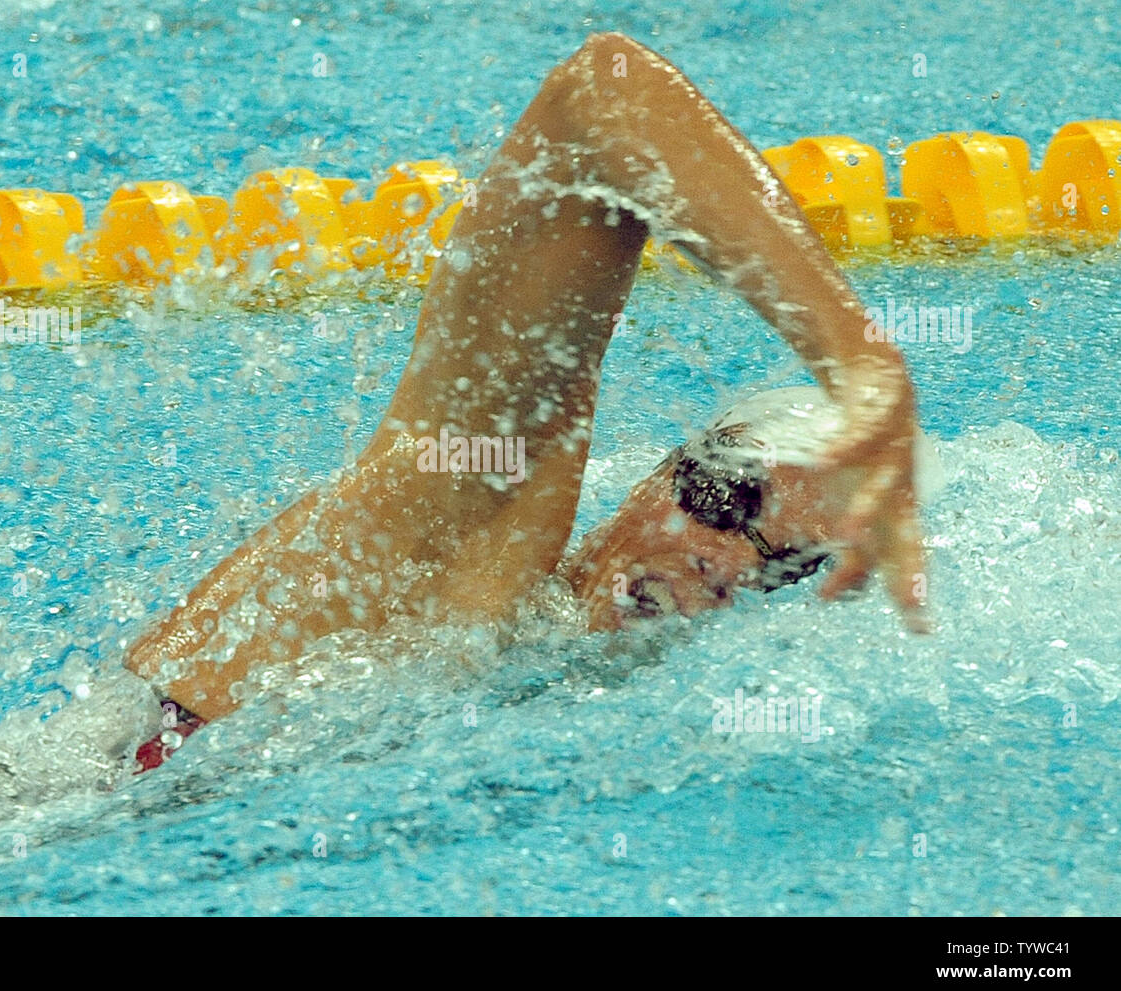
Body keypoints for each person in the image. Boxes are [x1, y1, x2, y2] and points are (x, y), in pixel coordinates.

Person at [125, 32, 926, 770]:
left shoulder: (566, 692)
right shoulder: (470, 525)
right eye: (725, 501)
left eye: (780, 571)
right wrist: (862, 363)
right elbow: (604, 95)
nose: (723, 565)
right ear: (658, 476)